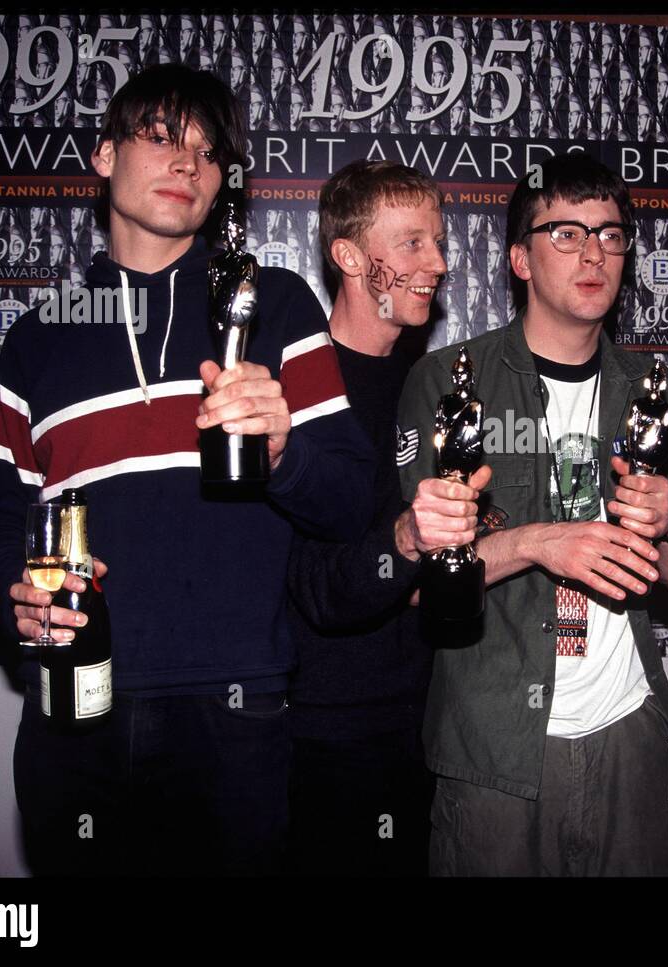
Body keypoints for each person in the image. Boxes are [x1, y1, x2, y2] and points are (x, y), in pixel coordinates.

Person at [0, 63, 375, 877]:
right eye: (160, 137)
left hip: (236, 709)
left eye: (207, 149)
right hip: (73, 711)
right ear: (103, 154)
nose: (187, 162)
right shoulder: (37, 338)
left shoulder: (276, 305)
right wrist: (13, 607)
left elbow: (353, 501)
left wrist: (285, 447)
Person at [397, 152, 668, 876]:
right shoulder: (448, 384)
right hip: (494, 746)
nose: (594, 251)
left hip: (628, 735)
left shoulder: (652, 389)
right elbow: (417, 582)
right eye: (565, 233)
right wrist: (540, 543)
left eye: (609, 234)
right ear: (519, 259)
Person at [287, 160, 484, 876]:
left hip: (433, 723)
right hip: (328, 734)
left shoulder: (436, 389)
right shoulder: (299, 392)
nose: (437, 262)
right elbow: (313, 586)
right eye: (410, 244)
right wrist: (405, 541)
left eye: (437, 242)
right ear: (347, 255)